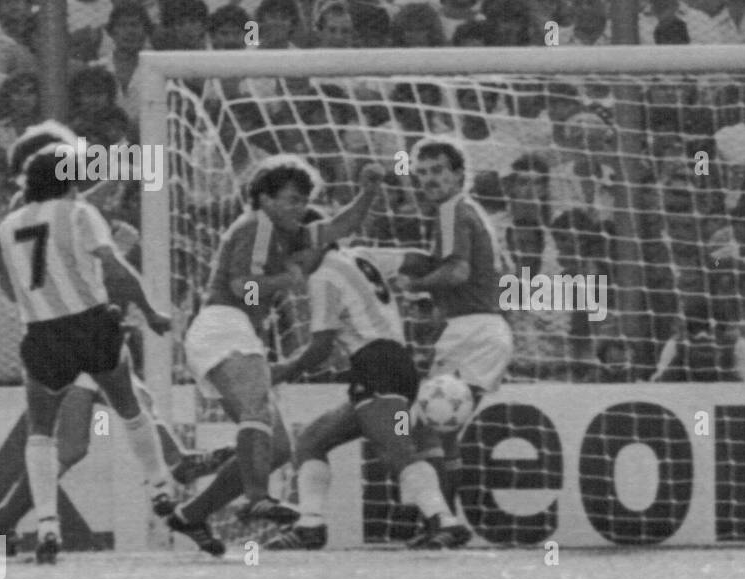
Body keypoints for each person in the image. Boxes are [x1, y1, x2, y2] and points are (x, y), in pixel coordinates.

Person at [165, 156, 382, 554]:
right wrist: (287, 280)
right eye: (290, 200)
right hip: (224, 322)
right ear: (264, 198)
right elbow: (240, 285)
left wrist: (368, 193)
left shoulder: (286, 233)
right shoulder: (257, 225)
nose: (298, 209)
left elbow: (340, 227)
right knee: (257, 413)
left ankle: (192, 514)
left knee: (278, 448)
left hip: (235, 331)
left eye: (303, 202)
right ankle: (257, 496)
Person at [0, 143, 174, 564]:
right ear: (71, 180)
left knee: (41, 431)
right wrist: (149, 312)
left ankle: (47, 528)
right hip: (89, 322)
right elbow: (113, 268)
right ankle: (160, 486)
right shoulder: (78, 213)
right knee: (128, 405)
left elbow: (8, 284)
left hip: (41, 333)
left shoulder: (7, 225)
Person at [265, 236, 468, 550]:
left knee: (396, 446)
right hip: (395, 365)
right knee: (311, 441)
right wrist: (435, 270)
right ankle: (311, 524)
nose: (295, 262)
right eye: (289, 256)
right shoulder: (360, 255)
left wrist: (285, 370)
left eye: (298, 253)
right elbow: (414, 258)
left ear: (319, 243)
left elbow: (321, 347)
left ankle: (444, 520)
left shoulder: (323, 278)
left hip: (377, 365)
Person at [394, 137, 513, 547]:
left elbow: (458, 273)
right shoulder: (471, 212)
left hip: (473, 330)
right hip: (485, 329)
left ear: (459, 173)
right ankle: (444, 523)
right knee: (440, 431)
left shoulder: (450, 210)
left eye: (438, 171)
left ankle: (440, 522)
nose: (429, 180)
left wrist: (416, 287)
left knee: (424, 427)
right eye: (422, 173)